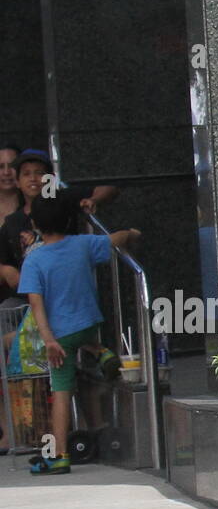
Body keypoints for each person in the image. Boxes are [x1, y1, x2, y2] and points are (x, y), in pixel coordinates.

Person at [16, 192, 139, 475]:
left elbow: (36, 304)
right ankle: (100, 350)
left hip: (60, 335)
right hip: (89, 324)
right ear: (71, 219)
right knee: (84, 342)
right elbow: (115, 238)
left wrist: (48, 340)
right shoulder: (83, 244)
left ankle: (58, 455)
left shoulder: (34, 261)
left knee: (61, 391)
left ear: (35, 222)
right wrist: (132, 232)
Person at [0, 148, 117, 295]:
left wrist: (93, 200)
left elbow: (108, 189)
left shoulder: (64, 200)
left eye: (40, 173)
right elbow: (4, 259)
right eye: (26, 174)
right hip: (31, 297)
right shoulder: (13, 222)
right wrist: (6, 271)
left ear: (52, 179)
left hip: (69, 289)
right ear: (17, 182)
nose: (33, 178)